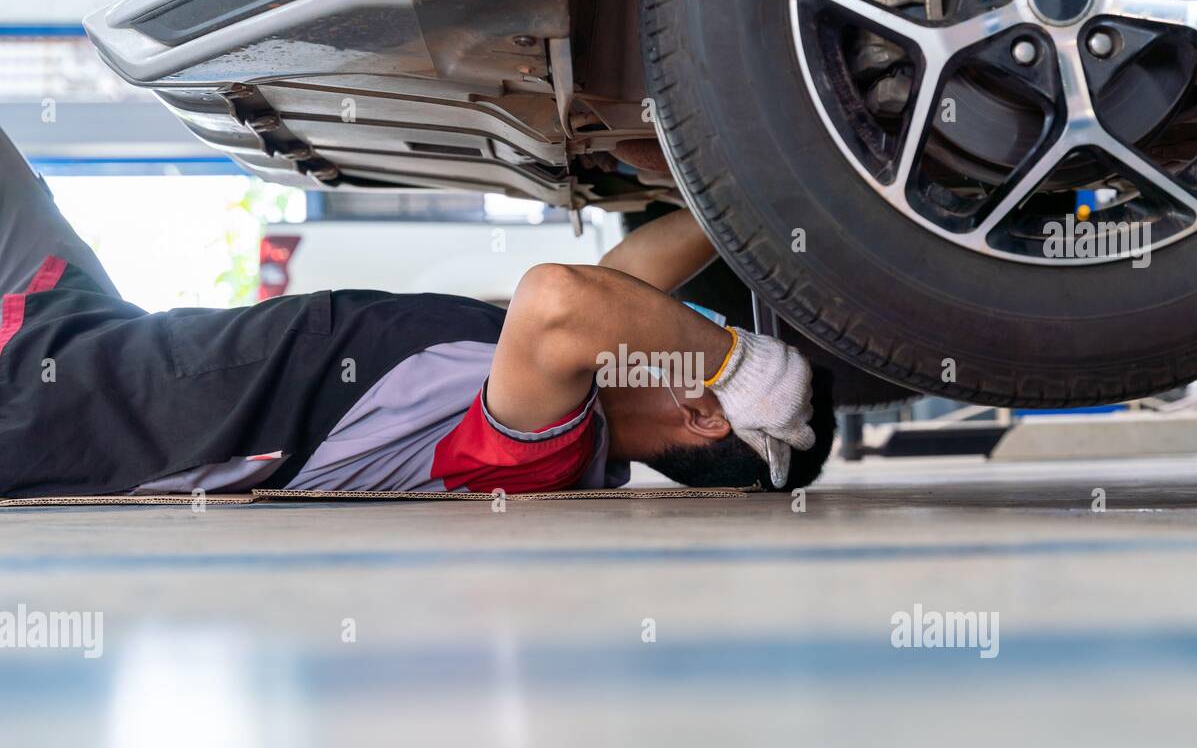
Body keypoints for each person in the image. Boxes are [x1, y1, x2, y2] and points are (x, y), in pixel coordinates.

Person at [0, 126, 833, 499]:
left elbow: (565, 296)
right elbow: (622, 279)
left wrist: (754, 372)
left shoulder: (549, 452)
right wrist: (757, 200)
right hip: (91, 329)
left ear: (702, 411)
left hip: (86, 409)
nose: (681, 327)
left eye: (712, 343)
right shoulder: (573, 391)